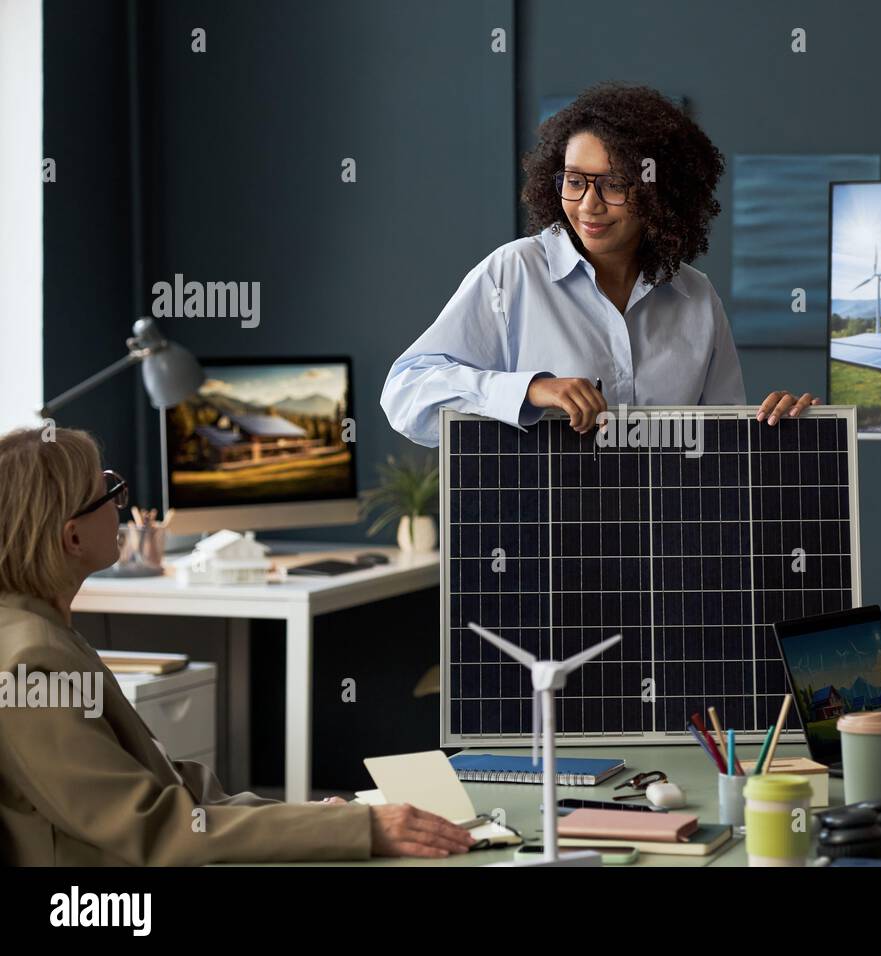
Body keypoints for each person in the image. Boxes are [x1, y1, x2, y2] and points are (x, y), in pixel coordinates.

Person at [0, 426, 477, 865]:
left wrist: (316, 820)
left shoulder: (41, 634)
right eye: (108, 493)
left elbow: (173, 784)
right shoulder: (31, 665)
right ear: (73, 537)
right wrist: (354, 827)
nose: (121, 506)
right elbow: (152, 825)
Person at [381, 82, 819, 448]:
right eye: (574, 181)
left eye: (613, 185)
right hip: (542, 545)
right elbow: (405, 394)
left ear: (660, 193)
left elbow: (722, 449)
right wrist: (531, 389)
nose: (588, 205)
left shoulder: (697, 296)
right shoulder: (512, 273)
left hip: (665, 545)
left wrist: (781, 427)